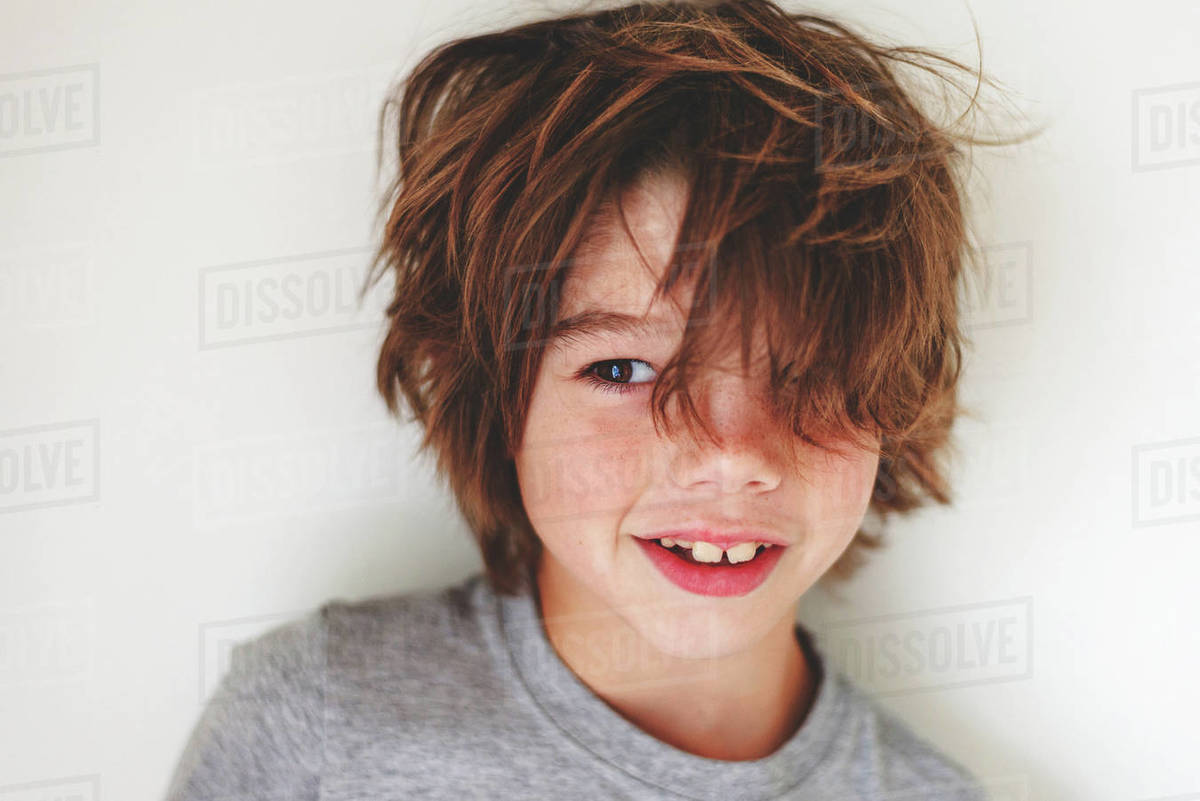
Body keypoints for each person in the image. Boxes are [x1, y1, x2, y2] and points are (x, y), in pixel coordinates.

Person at [168, 1, 1021, 797]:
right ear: (502, 401)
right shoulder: (319, 728)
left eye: (807, 375)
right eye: (622, 370)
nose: (730, 453)